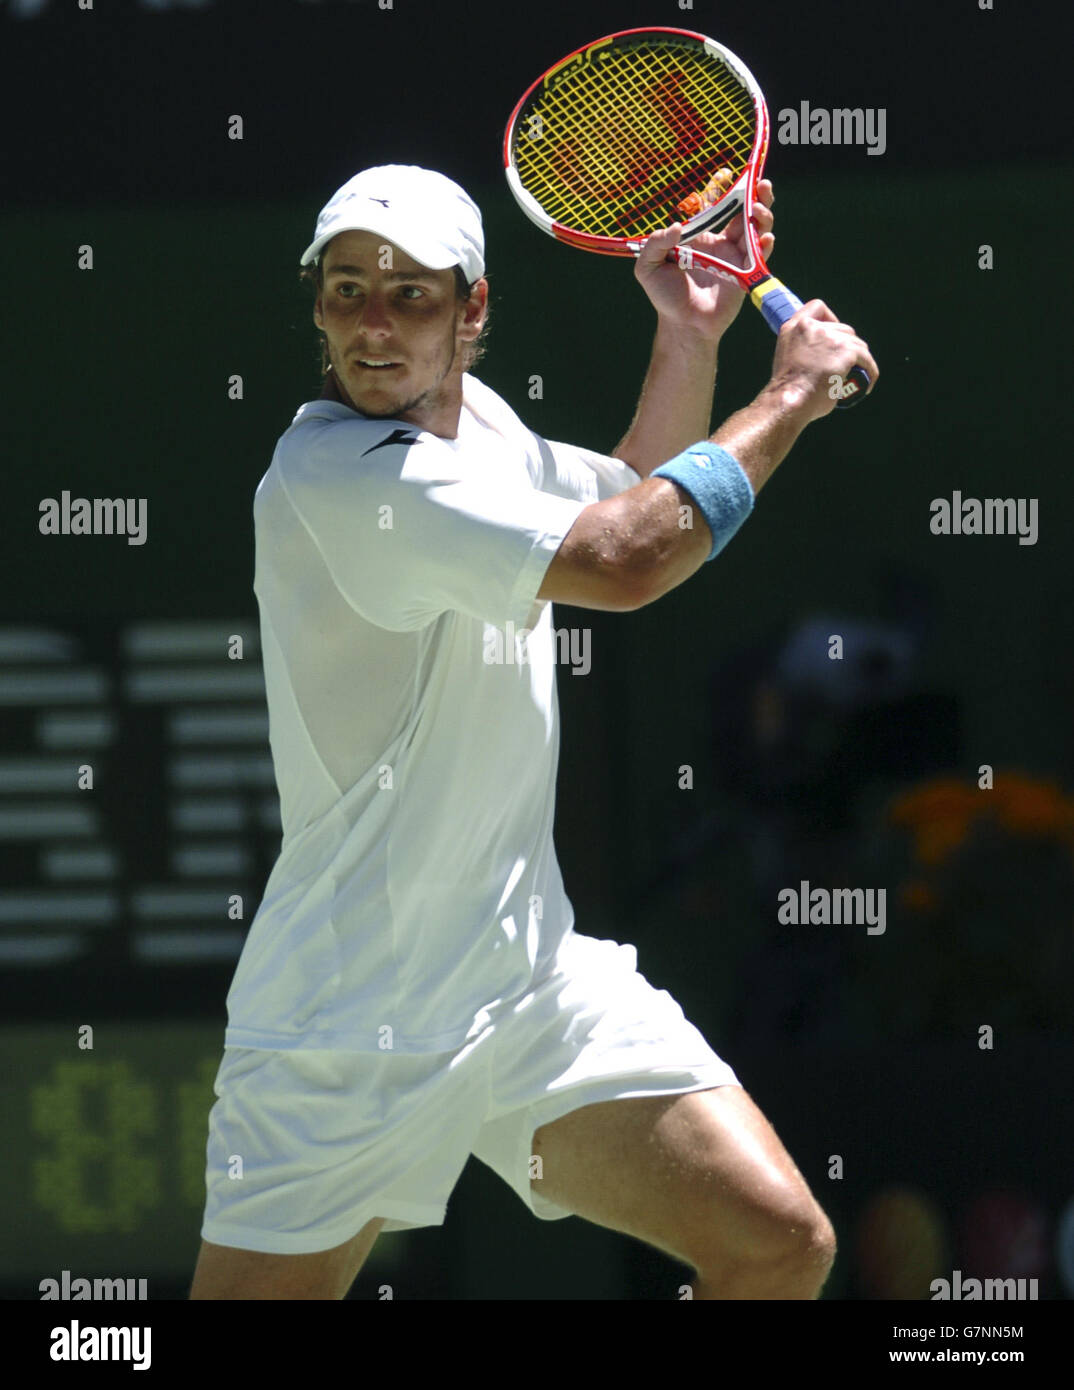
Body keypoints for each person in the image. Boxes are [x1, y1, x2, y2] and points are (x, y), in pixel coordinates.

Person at [190, 164, 878, 1300]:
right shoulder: (335, 476)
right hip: (343, 1028)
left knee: (776, 1244)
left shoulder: (490, 438)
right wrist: (790, 395)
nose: (371, 322)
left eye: (410, 294)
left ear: (473, 312)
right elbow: (629, 557)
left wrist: (691, 335)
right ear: (315, 303)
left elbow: (634, 495)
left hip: (530, 991)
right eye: (346, 287)